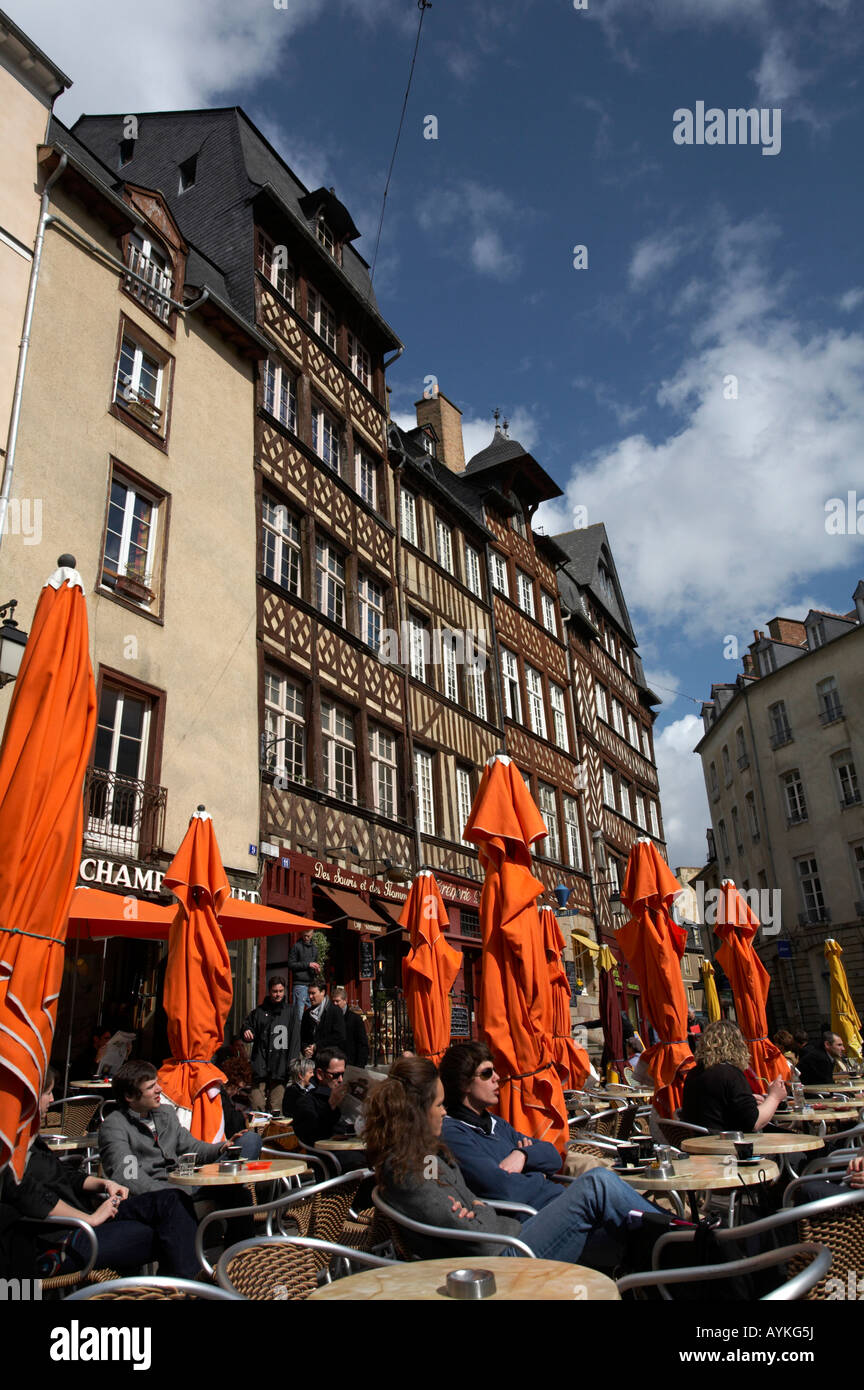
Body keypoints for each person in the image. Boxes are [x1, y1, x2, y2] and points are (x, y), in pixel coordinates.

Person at [364, 1056, 662, 1267]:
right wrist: (472, 1209)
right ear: (416, 1113)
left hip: (512, 1238)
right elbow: (474, 1233)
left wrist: (471, 1207)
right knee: (596, 1186)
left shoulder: (429, 1158)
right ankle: (681, 1241)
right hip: (501, 1263)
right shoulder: (408, 1169)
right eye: (438, 1105)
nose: (443, 1112)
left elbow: (464, 1199)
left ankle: (676, 1252)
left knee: (622, 1236)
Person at [7, 1067, 201, 1279]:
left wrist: (103, 1184)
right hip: (60, 1239)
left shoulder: (29, 1140)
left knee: (173, 1201)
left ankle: (184, 1288)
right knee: (169, 1232)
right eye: (47, 1093)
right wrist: (89, 1218)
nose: (52, 1099)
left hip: (87, 1217)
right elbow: (29, 1195)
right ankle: (187, 1289)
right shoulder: (10, 1150)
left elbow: (65, 1174)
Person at [99, 1060, 254, 1241]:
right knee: (225, 1192)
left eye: (157, 1083)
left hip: (186, 1184)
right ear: (130, 1096)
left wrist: (221, 1148)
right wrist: (173, 1193)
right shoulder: (116, 1125)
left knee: (249, 1146)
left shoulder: (165, 1113)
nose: (159, 1090)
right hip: (156, 1196)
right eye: (151, 1087)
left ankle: (239, 1259)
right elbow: (129, 1175)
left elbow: (191, 1146)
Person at [679, 1020, 786, 1132]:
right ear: (737, 1045)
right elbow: (753, 1123)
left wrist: (747, 1101)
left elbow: (715, 1106)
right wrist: (774, 1097)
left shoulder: (694, 1073)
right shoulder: (731, 1074)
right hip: (729, 1143)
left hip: (701, 1143)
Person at [242, 975, 295, 1112]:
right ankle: (257, 1132)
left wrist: (292, 1063)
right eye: (274, 991)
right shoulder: (259, 1012)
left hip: (280, 1066)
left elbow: (294, 1039)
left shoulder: (290, 1012)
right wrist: (247, 1031)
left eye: (280, 991)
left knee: (276, 1107)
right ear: (269, 991)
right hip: (260, 1065)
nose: (278, 995)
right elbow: (247, 1027)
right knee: (257, 1106)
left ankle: (272, 1133)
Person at [288, 1046, 347, 1143]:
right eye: (335, 1075)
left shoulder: (345, 1097)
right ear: (320, 1074)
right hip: (329, 1153)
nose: (341, 1080)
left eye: (343, 1074)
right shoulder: (306, 1101)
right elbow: (311, 1134)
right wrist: (331, 1105)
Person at [300, 980, 346, 1057]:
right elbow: (303, 1037)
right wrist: (305, 1048)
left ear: (323, 992)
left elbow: (339, 1036)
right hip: (312, 1060)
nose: (310, 997)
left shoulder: (335, 1010)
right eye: (309, 993)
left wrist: (317, 1046)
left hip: (329, 1059)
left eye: (313, 993)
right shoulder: (307, 1013)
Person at [287, 929, 321, 1030]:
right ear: (302, 934)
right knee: (299, 1015)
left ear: (312, 935)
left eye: (309, 936)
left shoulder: (315, 949)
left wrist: (317, 970)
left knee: (314, 1014)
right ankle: (297, 1038)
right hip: (300, 984)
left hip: (311, 984)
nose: (306, 938)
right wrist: (308, 964)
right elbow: (291, 964)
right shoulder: (296, 946)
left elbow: (314, 965)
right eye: (305, 936)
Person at [332, 987, 369, 1068]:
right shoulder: (330, 1018)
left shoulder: (355, 1019)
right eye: (333, 1001)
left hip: (351, 1063)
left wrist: (360, 1065)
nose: (335, 1004)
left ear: (345, 1000)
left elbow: (362, 1043)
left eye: (337, 1001)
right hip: (334, 1064)